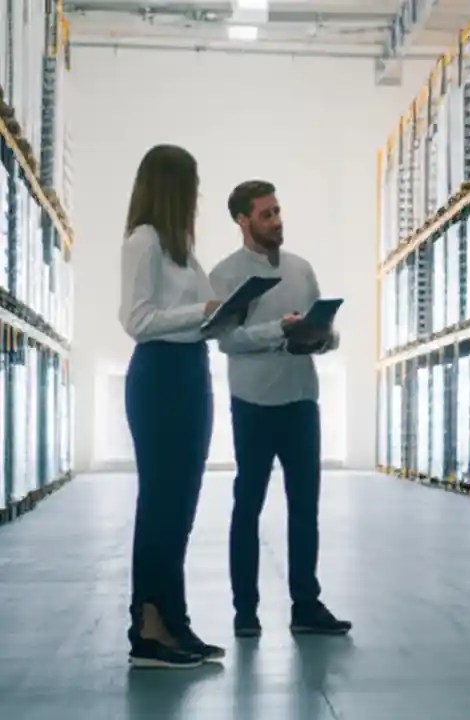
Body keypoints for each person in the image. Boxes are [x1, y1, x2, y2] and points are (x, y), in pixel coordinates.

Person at [208, 180, 352, 638]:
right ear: (242, 221)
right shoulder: (225, 275)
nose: (276, 221)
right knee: (246, 506)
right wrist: (278, 330)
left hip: (300, 402)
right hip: (252, 405)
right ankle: (245, 611)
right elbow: (227, 340)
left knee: (304, 507)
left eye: (277, 211)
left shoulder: (301, 269)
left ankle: (305, 606)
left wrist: (322, 337)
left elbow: (325, 330)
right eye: (266, 214)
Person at [119, 144, 231, 668]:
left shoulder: (183, 251)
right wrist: (199, 310)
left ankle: (176, 621)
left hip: (190, 374)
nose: (197, 198)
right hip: (160, 376)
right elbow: (136, 320)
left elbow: (204, 317)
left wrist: (241, 317)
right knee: (161, 505)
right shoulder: (143, 242)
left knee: (181, 509)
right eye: (192, 186)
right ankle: (148, 627)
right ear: (171, 188)